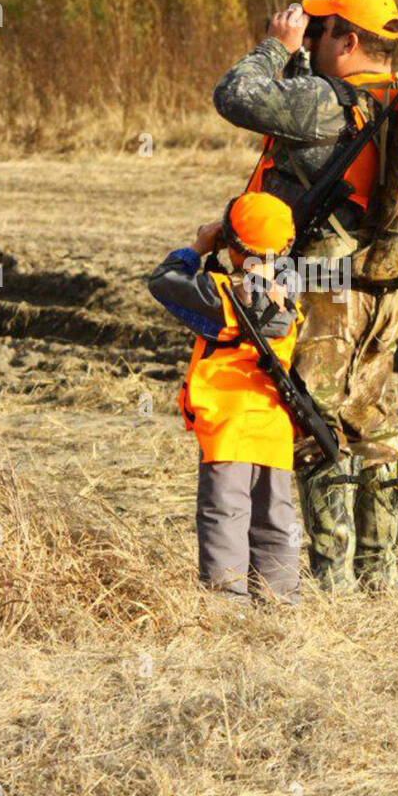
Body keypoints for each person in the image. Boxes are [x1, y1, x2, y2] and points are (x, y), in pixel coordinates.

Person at [213, 0, 398, 594]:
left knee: (318, 422)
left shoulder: (329, 102)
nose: (313, 35)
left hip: (330, 285)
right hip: (389, 285)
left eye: (323, 30)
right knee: (371, 419)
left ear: (348, 41)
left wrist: (275, 48)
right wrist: (301, 62)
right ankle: (382, 578)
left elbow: (237, 95)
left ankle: (332, 584)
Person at [148, 191, 302, 605]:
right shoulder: (290, 287)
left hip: (227, 428)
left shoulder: (222, 297)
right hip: (273, 425)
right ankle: (281, 601)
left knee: (225, 516)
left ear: (231, 247)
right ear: (286, 245)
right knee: (275, 518)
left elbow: (163, 282)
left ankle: (227, 605)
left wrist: (198, 247)